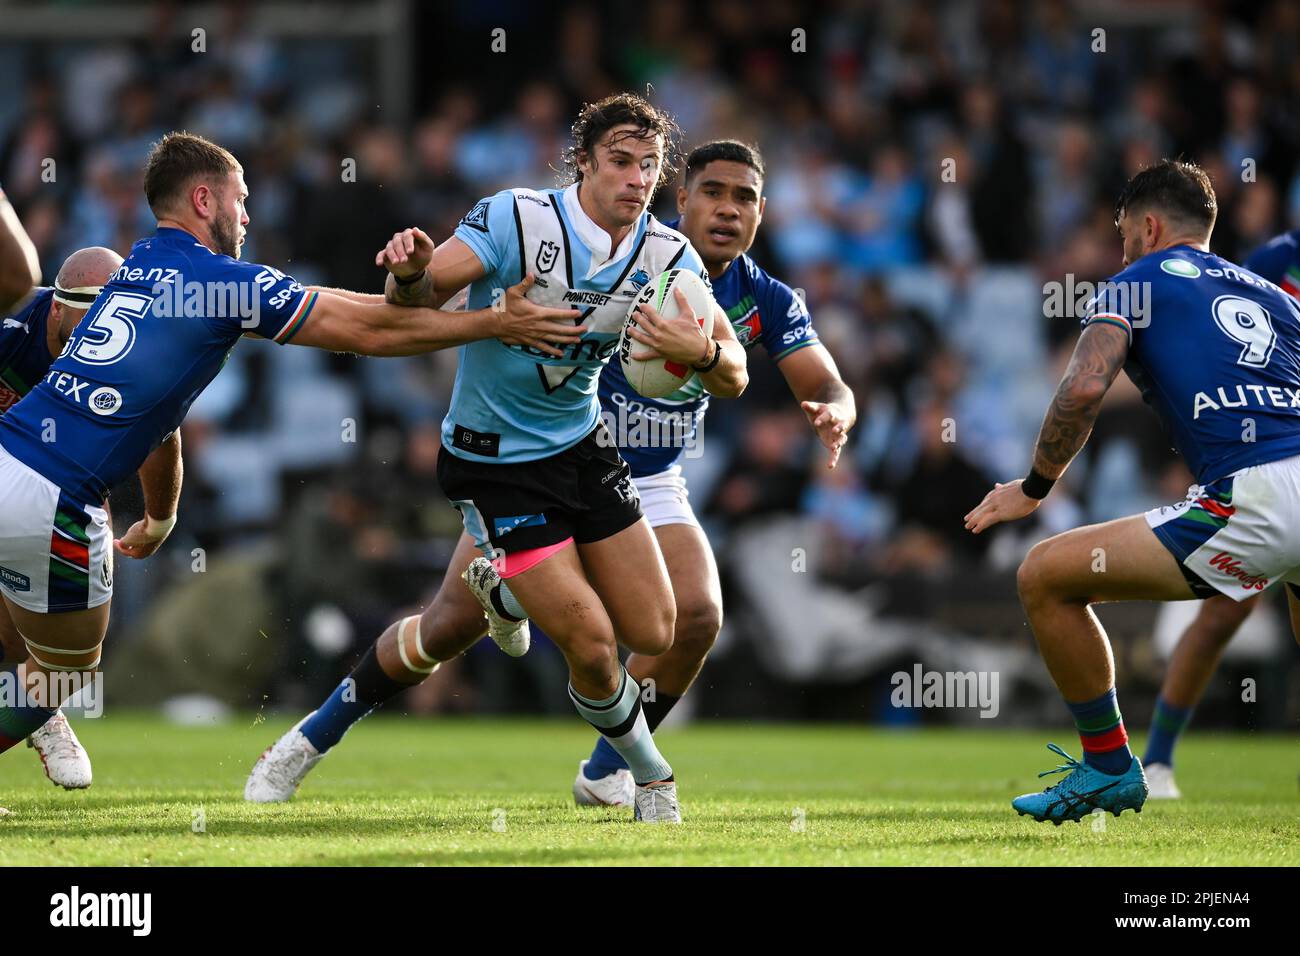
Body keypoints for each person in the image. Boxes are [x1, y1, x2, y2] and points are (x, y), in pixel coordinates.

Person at [0, 131, 582, 795]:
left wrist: (160, 515)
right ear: (202, 198)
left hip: (7, 457)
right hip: (56, 499)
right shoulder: (219, 284)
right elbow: (368, 331)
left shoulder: (131, 271)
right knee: (60, 675)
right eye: (240, 200)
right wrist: (489, 323)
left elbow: (160, 423)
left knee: (28, 653)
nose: (247, 215)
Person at [246, 93, 748, 824]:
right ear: (583, 162)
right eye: (619, 162)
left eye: (649, 165)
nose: (637, 179)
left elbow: (733, 370)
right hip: (492, 461)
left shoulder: (665, 256)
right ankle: (652, 778)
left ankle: (508, 593)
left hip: (581, 450)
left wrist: (700, 351)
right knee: (591, 641)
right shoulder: (518, 218)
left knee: (654, 632)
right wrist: (411, 269)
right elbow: (413, 297)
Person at [965, 159, 1300, 824]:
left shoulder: (1135, 281)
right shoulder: (1279, 297)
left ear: (1147, 226)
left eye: (1123, 234)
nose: (1123, 248)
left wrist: (1035, 487)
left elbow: (1085, 387)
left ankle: (1111, 767)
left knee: (1044, 575)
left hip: (1259, 490)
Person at [573, 139, 856, 805]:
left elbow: (827, 380)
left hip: (655, 480)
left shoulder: (767, 297)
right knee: (451, 621)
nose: (728, 208)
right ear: (683, 201)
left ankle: (605, 769)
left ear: (761, 215)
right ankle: (318, 734)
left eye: (745, 198)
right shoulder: (625, 253)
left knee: (698, 617)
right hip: (568, 460)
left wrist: (836, 413)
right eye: (713, 192)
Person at [1138, 227, 1300, 799]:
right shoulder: (1275, 261)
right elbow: (1215, 357)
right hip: (1258, 459)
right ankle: (1156, 762)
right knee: (1219, 617)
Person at [0, 246, 123, 789]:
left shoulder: (126, 348)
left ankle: (42, 711)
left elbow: (162, 426)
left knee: (46, 646)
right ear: (54, 307)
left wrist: (162, 515)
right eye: (82, 324)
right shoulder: (10, 332)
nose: (92, 341)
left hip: (56, 490)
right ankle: (44, 714)